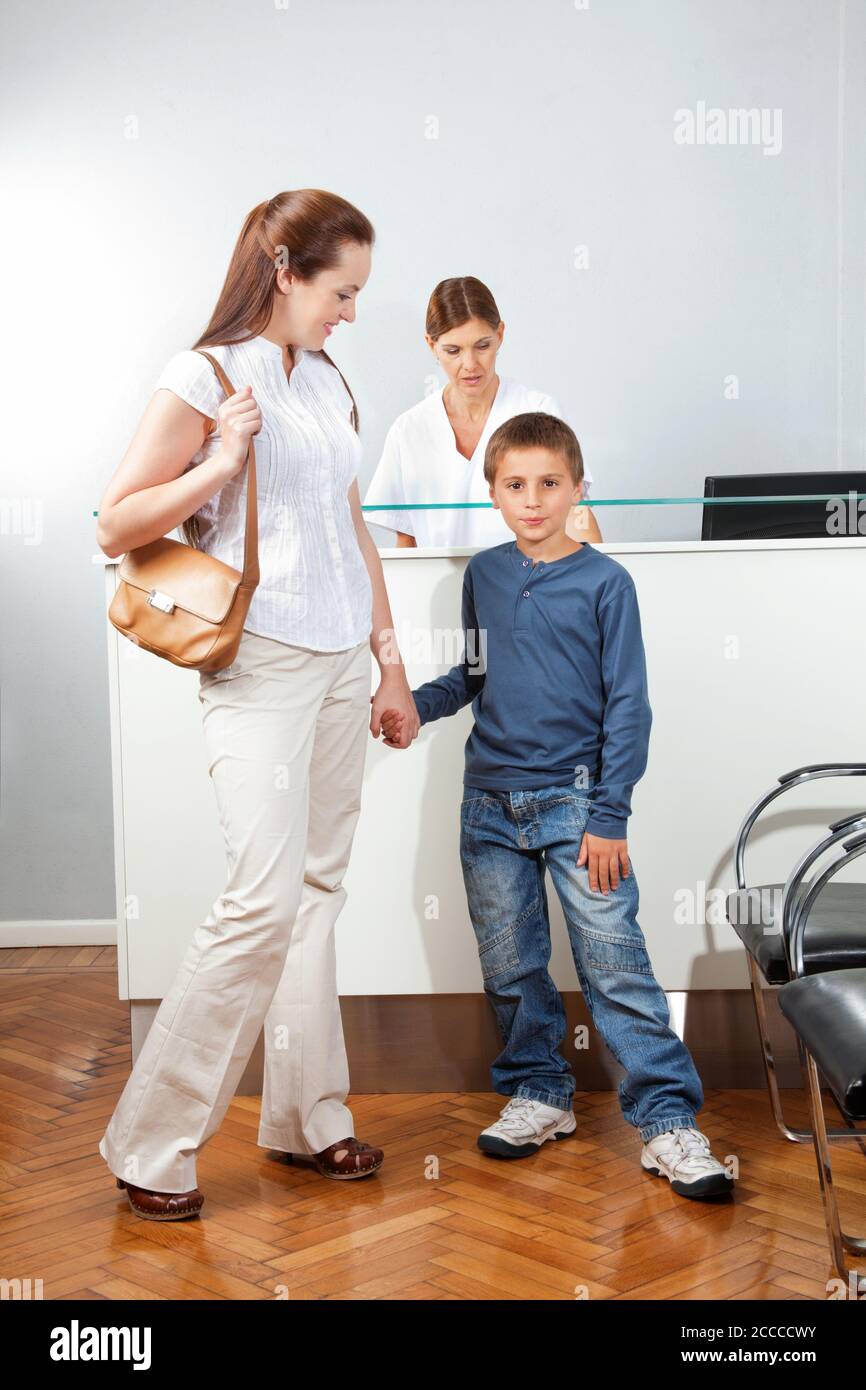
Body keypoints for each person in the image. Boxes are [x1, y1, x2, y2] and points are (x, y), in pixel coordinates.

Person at [95, 189, 419, 1220]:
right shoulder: (205, 374)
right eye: (341, 290)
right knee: (262, 900)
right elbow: (116, 521)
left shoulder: (326, 380)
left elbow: (349, 527)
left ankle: (305, 1113)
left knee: (317, 890)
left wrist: (389, 661)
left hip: (335, 665)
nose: (351, 312)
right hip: (260, 662)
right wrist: (223, 463)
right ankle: (151, 1143)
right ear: (285, 273)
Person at [379, 412, 734, 1200]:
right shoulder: (486, 575)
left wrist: (611, 816)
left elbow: (629, 708)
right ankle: (541, 1094)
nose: (532, 500)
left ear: (578, 488)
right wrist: (415, 708)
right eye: (515, 486)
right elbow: (470, 678)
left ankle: (668, 1120)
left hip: (578, 807)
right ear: (493, 492)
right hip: (489, 806)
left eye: (549, 484)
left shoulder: (607, 583)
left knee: (615, 966)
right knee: (511, 964)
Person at [362, 276, 602, 548]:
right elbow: (408, 540)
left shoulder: (538, 411)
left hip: (531, 584)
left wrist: (598, 581)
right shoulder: (409, 430)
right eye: (453, 350)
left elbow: (576, 513)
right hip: (442, 587)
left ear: (500, 335)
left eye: (482, 346)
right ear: (431, 345)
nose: (470, 364)